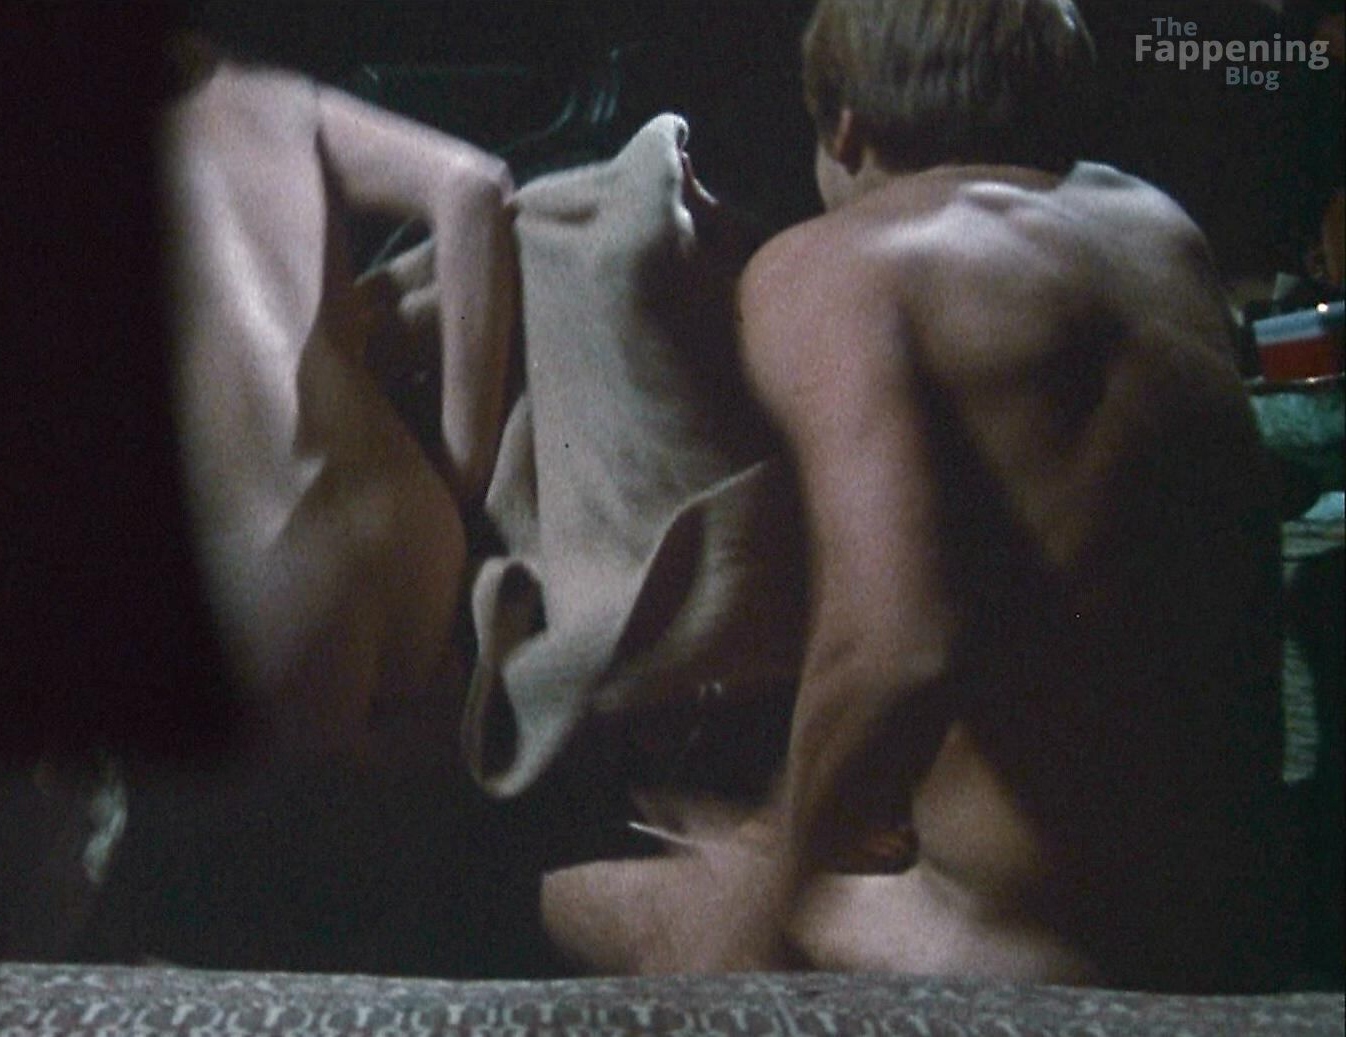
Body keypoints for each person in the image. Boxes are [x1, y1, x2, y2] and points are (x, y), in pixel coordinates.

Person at [541, 0, 1295, 991]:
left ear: (844, 127)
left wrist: (758, 904)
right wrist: (801, 818)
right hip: (1240, 906)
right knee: (758, 829)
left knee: (552, 890)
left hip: (1036, 944)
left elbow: (894, 649)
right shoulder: (1157, 229)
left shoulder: (838, 264)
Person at [161, 45, 516, 763]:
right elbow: (474, 187)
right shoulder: (269, 92)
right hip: (416, 529)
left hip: (273, 594)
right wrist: (460, 474)